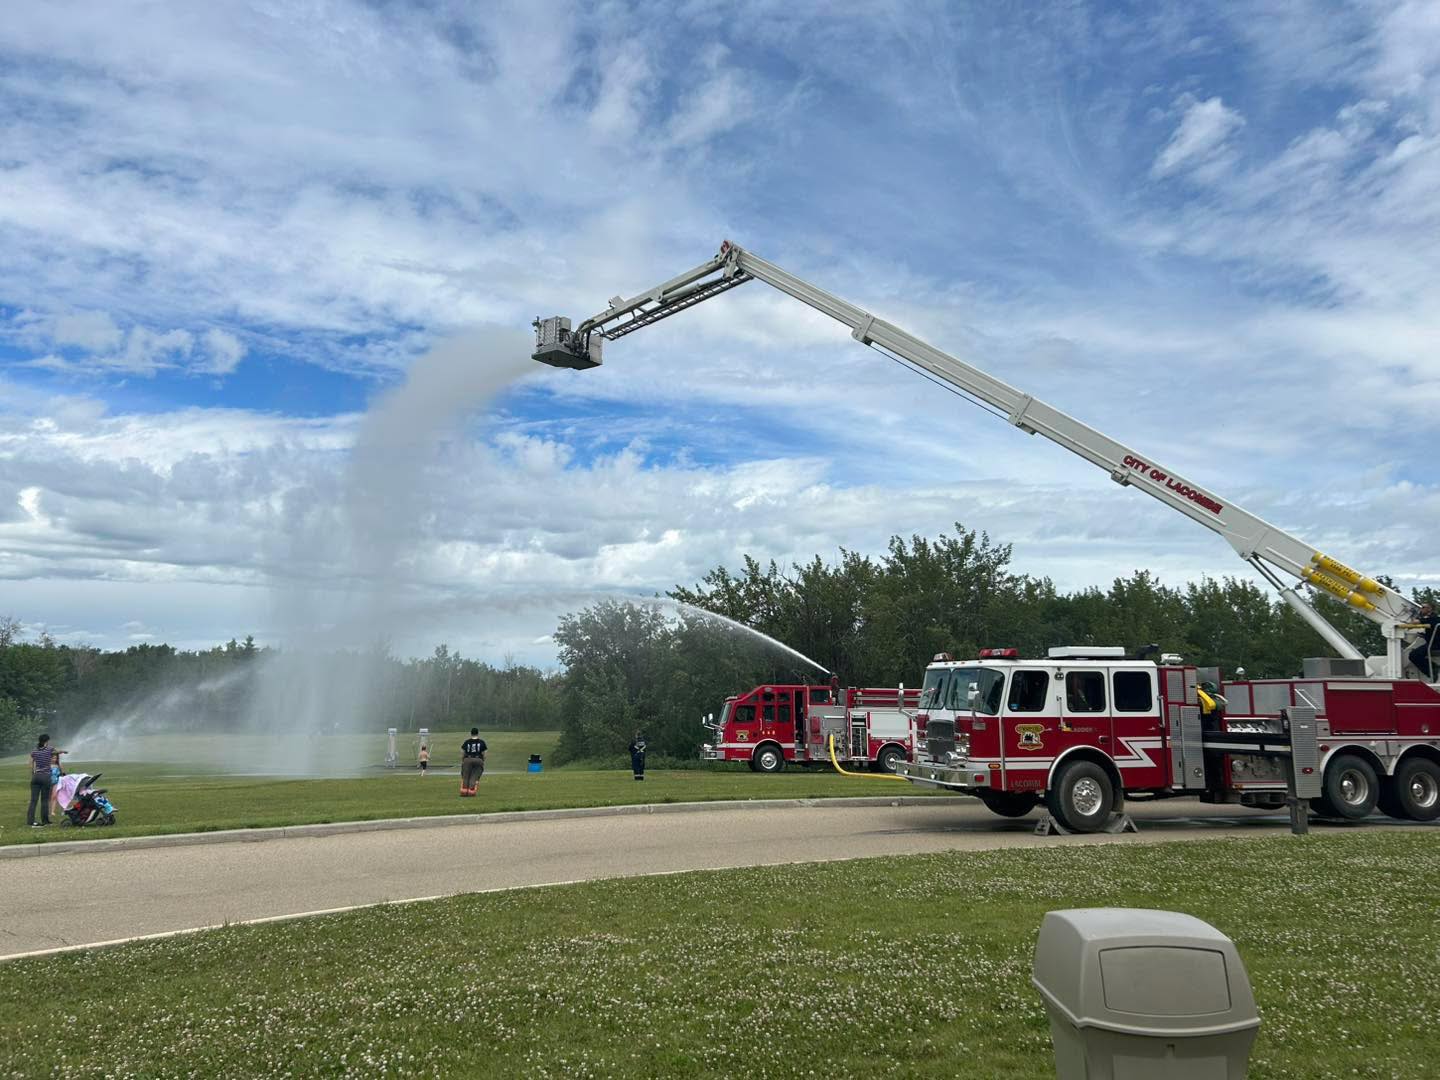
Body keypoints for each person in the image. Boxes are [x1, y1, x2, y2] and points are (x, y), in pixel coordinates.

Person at [26, 734, 61, 828]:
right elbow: (56, 752)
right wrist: (63, 752)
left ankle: (30, 821)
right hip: (45, 777)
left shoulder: (34, 751)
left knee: (33, 800)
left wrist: (33, 772)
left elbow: (30, 763)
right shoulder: (49, 749)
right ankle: (45, 821)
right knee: (44, 800)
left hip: (36, 776)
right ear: (46, 741)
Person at [1408, 602, 1439, 681]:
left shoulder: (1431, 618)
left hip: (1434, 644)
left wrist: (1412, 617)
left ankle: (1432, 670)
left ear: (1429, 609)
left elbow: (1415, 622)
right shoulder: (1433, 618)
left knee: (1413, 655)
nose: (1421, 609)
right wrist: (1423, 635)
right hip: (1434, 643)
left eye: (1423, 607)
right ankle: (1433, 667)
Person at [459, 728, 487, 797]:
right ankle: (471, 791)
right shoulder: (482, 742)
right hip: (478, 759)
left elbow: (463, 753)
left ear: (471, 733)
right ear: (478, 733)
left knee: (465, 776)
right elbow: (484, 753)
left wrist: (463, 760)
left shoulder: (467, 742)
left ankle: (464, 791)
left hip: (467, 759)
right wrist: (482, 760)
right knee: (474, 776)